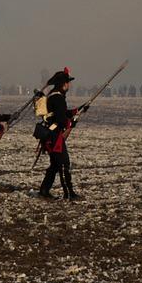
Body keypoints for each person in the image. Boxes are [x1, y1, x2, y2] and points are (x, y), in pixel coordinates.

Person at [39, 67, 86, 200]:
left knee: (55, 164)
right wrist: (71, 123)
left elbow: (61, 113)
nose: (69, 85)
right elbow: (61, 119)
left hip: (50, 134)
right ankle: (69, 193)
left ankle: (44, 190)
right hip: (54, 136)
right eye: (68, 82)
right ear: (63, 84)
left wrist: (78, 110)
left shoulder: (54, 96)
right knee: (64, 163)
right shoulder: (58, 98)